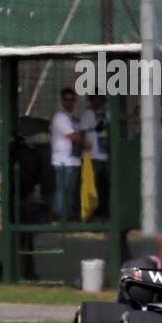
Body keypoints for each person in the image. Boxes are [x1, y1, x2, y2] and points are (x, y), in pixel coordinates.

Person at [50, 87, 83, 222]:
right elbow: (73, 136)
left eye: (71, 99)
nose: (69, 102)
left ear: (75, 101)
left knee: (69, 190)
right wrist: (86, 143)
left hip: (74, 159)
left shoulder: (73, 118)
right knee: (62, 189)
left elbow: (79, 134)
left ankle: (67, 216)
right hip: (63, 161)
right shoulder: (60, 117)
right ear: (62, 101)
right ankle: (59, 216)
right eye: (66, 99)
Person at [79, 94, 110, 219]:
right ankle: (91, 213)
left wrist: (132, 115)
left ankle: (102, 211)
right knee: (92, 185)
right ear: (92, 99)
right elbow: (82, 132)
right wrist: (84, 144)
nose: (99, 101)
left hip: (104, 156)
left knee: (105, 186)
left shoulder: (105, 114)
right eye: (97, 98)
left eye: (101, 98)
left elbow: (119, 118)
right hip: (92, 156)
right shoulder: (87, 114)